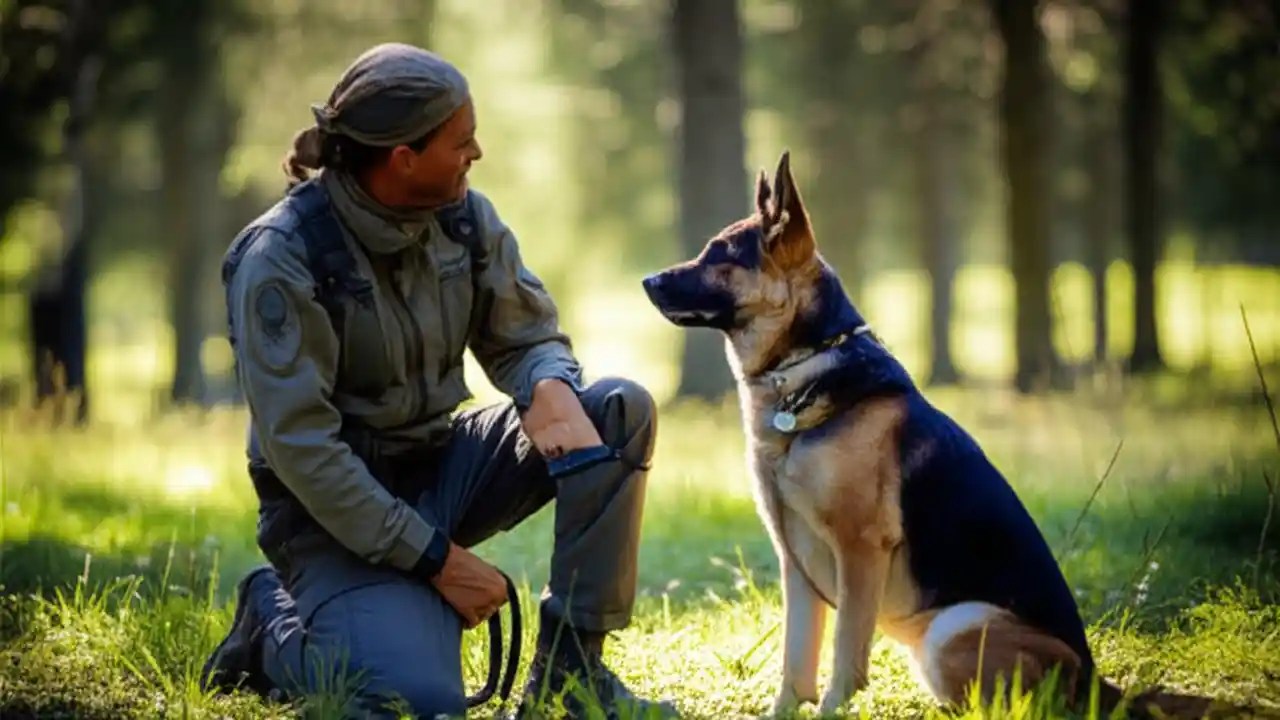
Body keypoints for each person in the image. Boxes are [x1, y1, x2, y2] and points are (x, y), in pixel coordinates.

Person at [201, 42, 676, 720]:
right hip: (328, 515)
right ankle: (268, 623)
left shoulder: (463, 215)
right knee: (411, 702)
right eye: (462, 141)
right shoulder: (281, 258)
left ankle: (571, 677)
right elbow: (302, 449)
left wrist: (547, 386)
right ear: (403, 157)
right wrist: (438, 561)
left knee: (616, 410)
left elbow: (529, 335)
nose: (475, 154)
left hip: (439, 468)